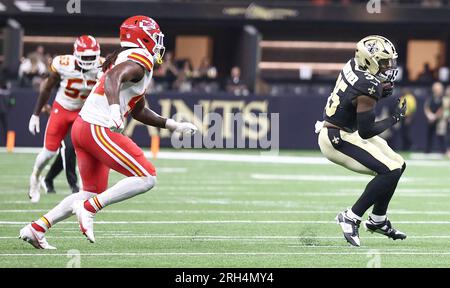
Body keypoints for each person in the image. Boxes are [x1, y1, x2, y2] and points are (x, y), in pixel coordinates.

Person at [19, 15, 197, 249]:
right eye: (154, 37)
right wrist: (114, 109)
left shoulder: (130, 59)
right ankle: (90, 209)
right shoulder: (140, 57)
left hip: (85, 128)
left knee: (89, 192)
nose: (158, 42)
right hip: (97, 127)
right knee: (147, 176)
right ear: (142, 38)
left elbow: (139, 110)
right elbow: (113, 78)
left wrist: (172, 125)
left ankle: (37, 228)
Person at [316, 35, 407, 247]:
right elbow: (367, 131)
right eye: (384, 62)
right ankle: (351, 216)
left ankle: (378, 220)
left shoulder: (353, 65)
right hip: (336, 137)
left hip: (346, 129)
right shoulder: (369, 85)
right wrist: (394, 118)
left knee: (399, 165)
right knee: (389, 171)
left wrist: (378, 92)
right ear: (370, 60)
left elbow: (354, 97)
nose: (389, 66)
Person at [27, 35, 101, 203]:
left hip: (83, 112)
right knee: (48, 152)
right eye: (85, 57)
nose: (89, 61)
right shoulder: (62, 63)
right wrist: (36, 113)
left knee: (82, 149)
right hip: (62, 108)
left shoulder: (102, 66)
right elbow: (47, 88)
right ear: (76, 54)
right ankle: (35, 177)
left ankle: (83, 187)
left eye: (92, 57)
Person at [424, 82, 445, 153]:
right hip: (431, 118)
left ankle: (443, 150)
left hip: (440, 119)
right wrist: (429, 115)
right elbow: (426, 106)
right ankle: (427, 150)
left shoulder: (443, 98)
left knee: (441, 135)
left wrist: (435, 116)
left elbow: (443, 108)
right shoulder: (430, 97)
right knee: (429, 134)